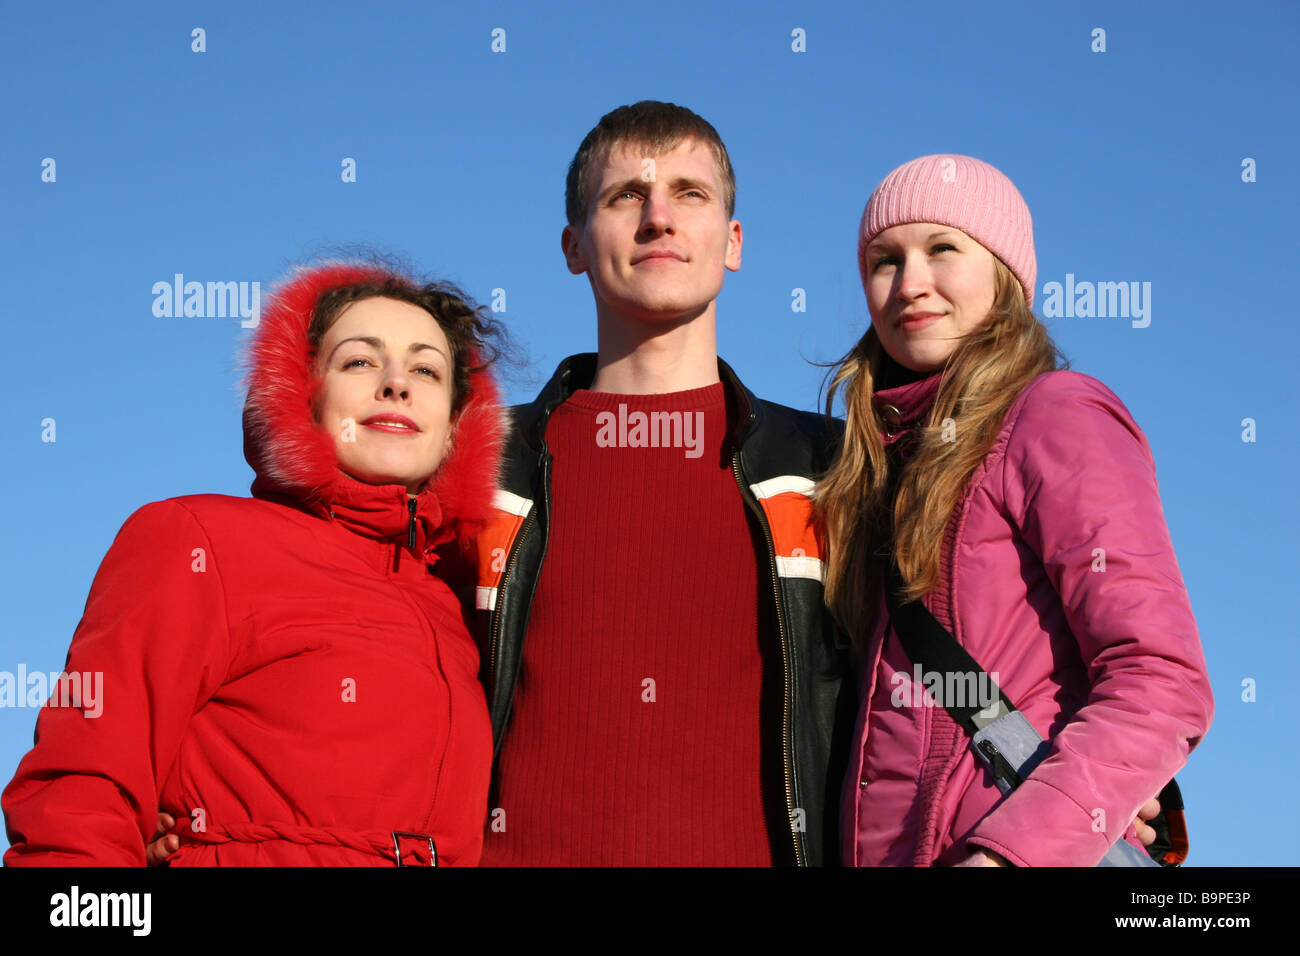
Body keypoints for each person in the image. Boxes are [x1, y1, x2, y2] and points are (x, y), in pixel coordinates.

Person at [2, 260, 507, 865]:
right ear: (303, 391)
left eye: (426, 369)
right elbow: (79, 793)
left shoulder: (457, 605)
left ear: (456, 426)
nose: (396, 384)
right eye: (360, 361)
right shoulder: (197, 540)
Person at [467, 101, 852, 865]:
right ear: (574, 246)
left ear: (733, 242)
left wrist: (1074, 765)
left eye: (690, 193)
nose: (658, 219)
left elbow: (942, 657)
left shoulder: (829, 466)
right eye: (624, 197)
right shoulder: (480, 458)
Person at [817, 154, 1214, 866]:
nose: (910, 284)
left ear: (1003, 272)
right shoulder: (868, 465)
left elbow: (1161, 679)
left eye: (943, 248)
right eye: (884, 260)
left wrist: (1009, 856)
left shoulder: (1056, 415)